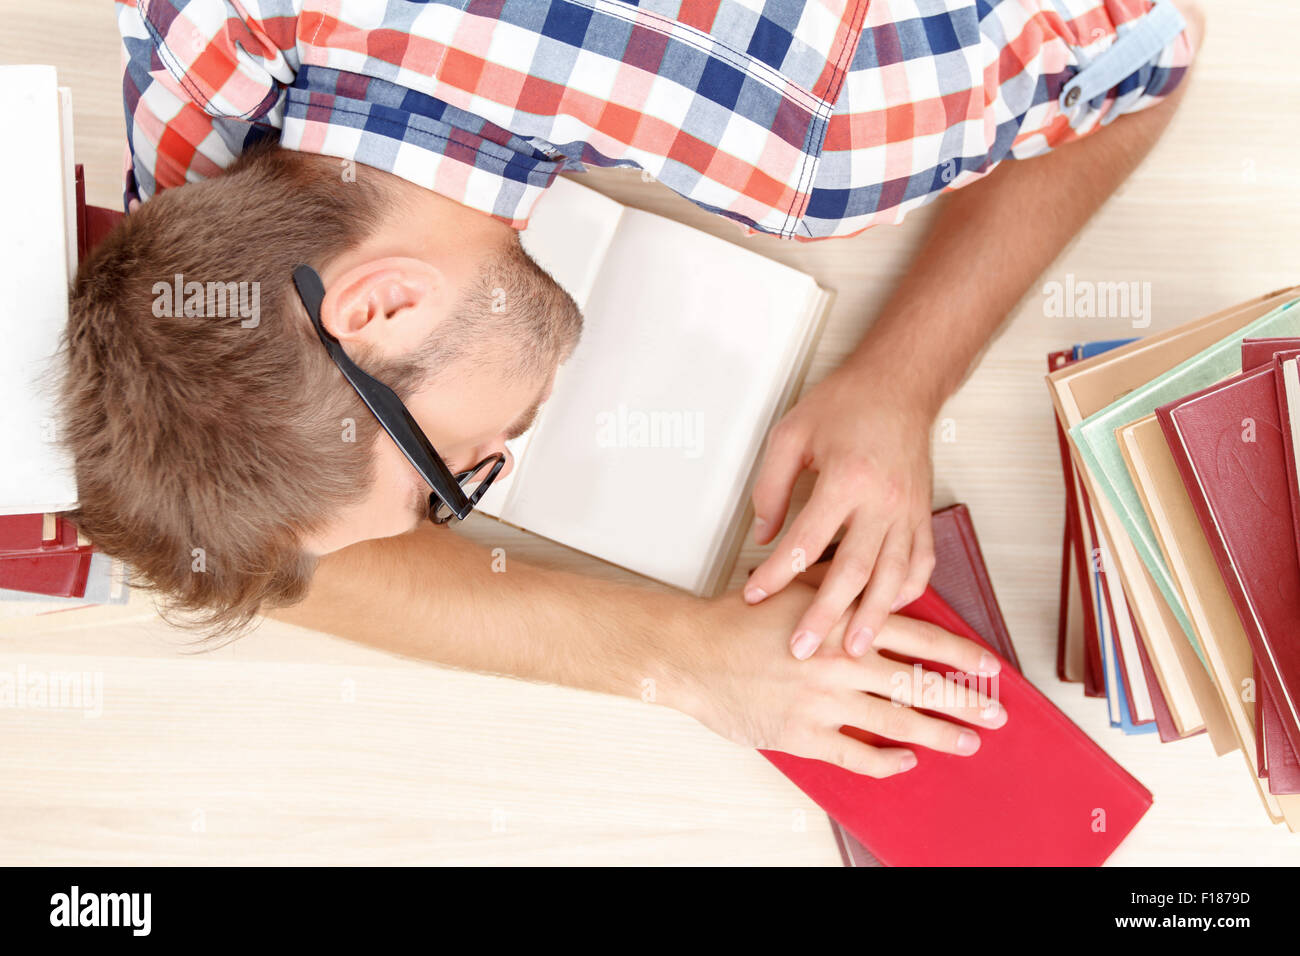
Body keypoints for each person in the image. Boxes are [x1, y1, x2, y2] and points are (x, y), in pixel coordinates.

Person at [63, 0, 1203, 777]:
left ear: (380, 307)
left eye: (443, 477)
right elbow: (290, 554)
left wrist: (907, 373)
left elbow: (1151, 55)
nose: (490, 466)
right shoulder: (197, 42)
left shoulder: (821, 135)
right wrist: (684, 657)